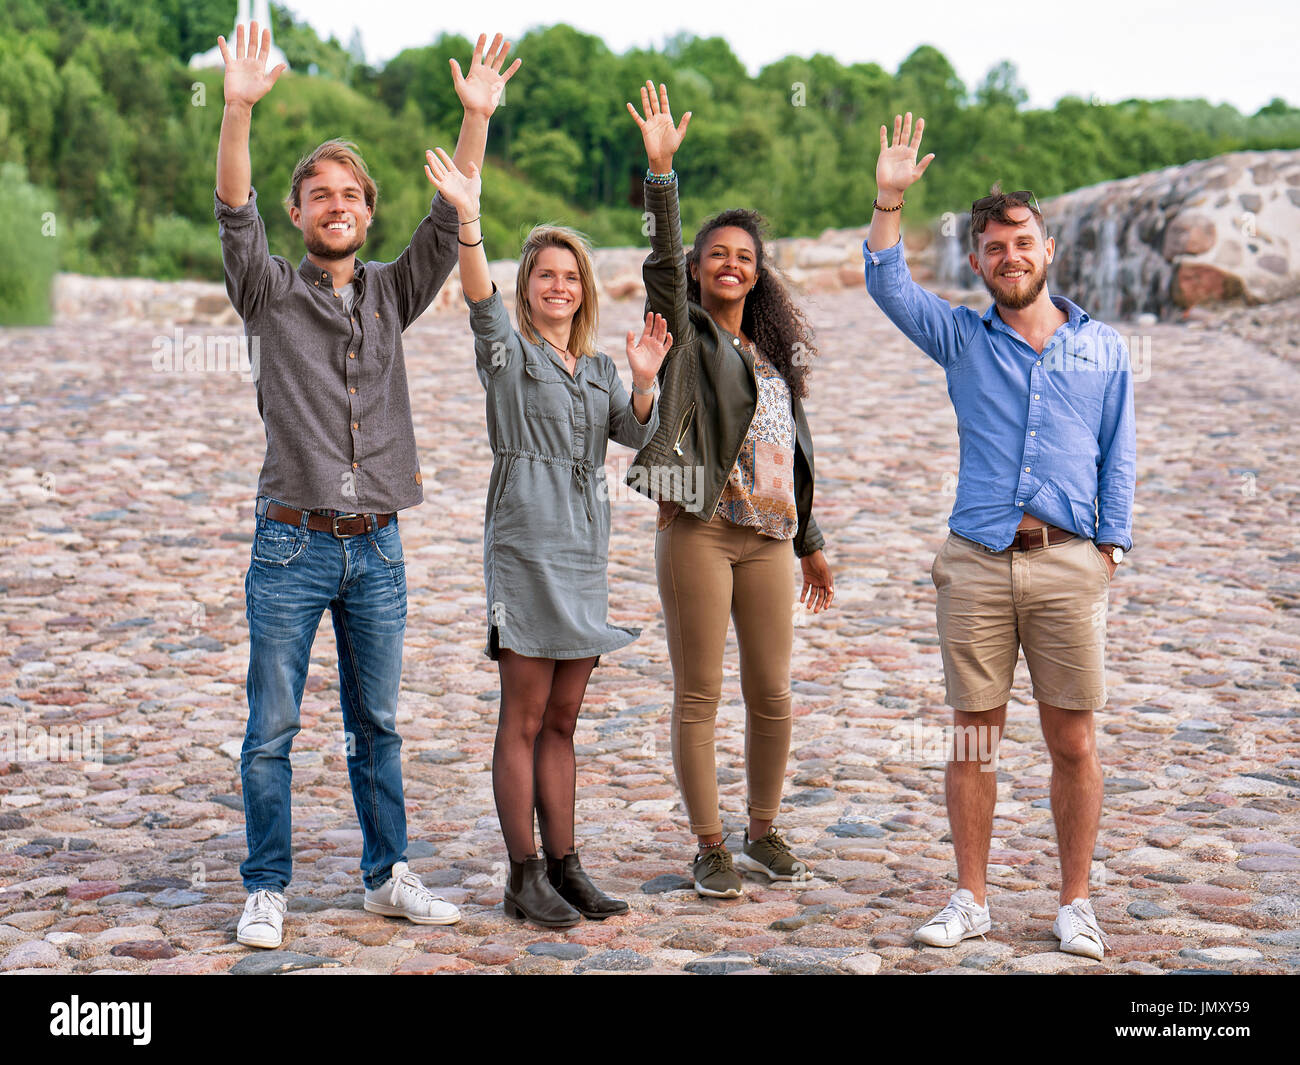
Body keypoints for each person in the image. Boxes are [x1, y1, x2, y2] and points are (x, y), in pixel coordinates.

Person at [214, 23, 518, 949]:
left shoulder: (392, 292)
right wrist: (236, 109)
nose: (334, 205)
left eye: (350, 194)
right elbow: (234, 208)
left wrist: (474, 122)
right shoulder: (268, 292)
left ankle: (388, 873)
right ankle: (266, 885)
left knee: (378, 723)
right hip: (291, 542)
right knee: (271, 729)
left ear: (367, 212)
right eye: (318, 195)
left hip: (378, 545)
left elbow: (448, 214)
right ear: (301, 214)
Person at [862, 113, 1137, 960]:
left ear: (1047, 250)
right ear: (978, 262)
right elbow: (886, 283)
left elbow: (1117, 450)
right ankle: (971, 897)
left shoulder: (1102, 348)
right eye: (993, 247)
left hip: (1067, 566)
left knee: (1074, 740)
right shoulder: (961, 338)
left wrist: (1109, 547)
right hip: (977, 562)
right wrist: (888, 200)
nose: (1009, 256)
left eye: (1022, 242)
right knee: (973, 736)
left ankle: (1076, 902)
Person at [423, 146, 670, 926]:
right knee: (523, 717)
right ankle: (521, 872)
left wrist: (643, 380)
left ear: (583, 290)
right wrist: (469, 217)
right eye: (545, 275)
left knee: (564, 718)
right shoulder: (507, 352)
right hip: (525, 544)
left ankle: (567, 865)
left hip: (583, 548)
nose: (558, 285)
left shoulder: (598, 369)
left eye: (570, 276)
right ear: (528, 285)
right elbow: (478, 297)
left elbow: (637, 435)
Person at [624, 83, 835, 900]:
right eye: (717, 253)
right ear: (698, 267)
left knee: (773, 692)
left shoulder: (773, 353)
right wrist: (662, 174)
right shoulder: (685, 330)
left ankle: (762, 828)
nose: (730, 263)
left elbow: (793, 453)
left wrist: (811, 543)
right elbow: (657, 258)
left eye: (744, 256)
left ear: (757, 273)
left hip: (771, 537)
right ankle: (710, 843)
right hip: (701, 529)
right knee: (699, 693)